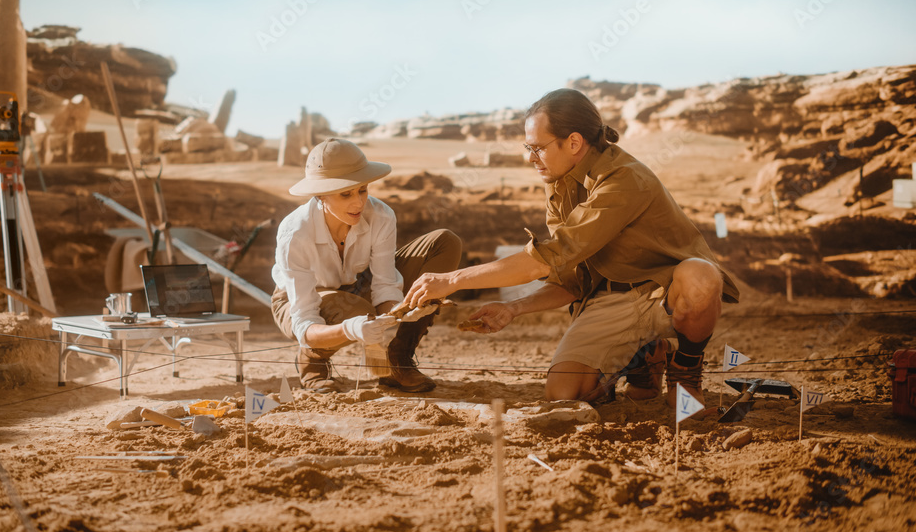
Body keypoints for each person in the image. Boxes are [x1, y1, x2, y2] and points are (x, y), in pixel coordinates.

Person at [404, 88, 739, 405]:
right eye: (528, 148)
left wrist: (452, 280)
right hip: (610, 299)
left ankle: (686, 370)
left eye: (538, 147)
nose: (531, 158)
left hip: (665, 293)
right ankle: (646, 356)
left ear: (574, 142)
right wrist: (513, 308)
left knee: (701, 276)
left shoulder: (624, 180)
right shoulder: (559, 185)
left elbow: (547, 258)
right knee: (563, 393)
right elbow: (569, 279)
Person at [272, 138, 462, 394]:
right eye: (346, 194)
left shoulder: (381, 215)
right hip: (299, 301)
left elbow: (384, 284)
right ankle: (313, 361)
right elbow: (304, 322)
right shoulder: (295, 233)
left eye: (363, 190)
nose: (359, 203)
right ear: (320, 195)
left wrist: (402, 312)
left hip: (357, 284)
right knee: (356, 311)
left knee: (445, 242)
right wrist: (351, 328)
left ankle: (399, 358)